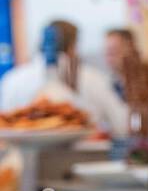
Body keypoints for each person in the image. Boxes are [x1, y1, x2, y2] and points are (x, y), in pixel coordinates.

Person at [0, 19, 129, 134]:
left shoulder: (11, 79)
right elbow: (121, 125)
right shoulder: (93, 79)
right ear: (72, 46)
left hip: (19, 158)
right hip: (79, 157)